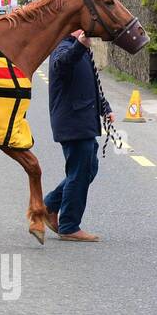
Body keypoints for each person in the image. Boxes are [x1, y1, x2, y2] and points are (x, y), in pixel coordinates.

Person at [44, 28, 114, 242]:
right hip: (73, 123)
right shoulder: (63, 48)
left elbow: (90, 86)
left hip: (82, 122)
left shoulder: (80, 50)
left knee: (87, 169)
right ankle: (69, 226)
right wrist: (79, 45)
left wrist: (105, 108)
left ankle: (49, 205)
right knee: (80, 173)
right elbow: (61, 66)